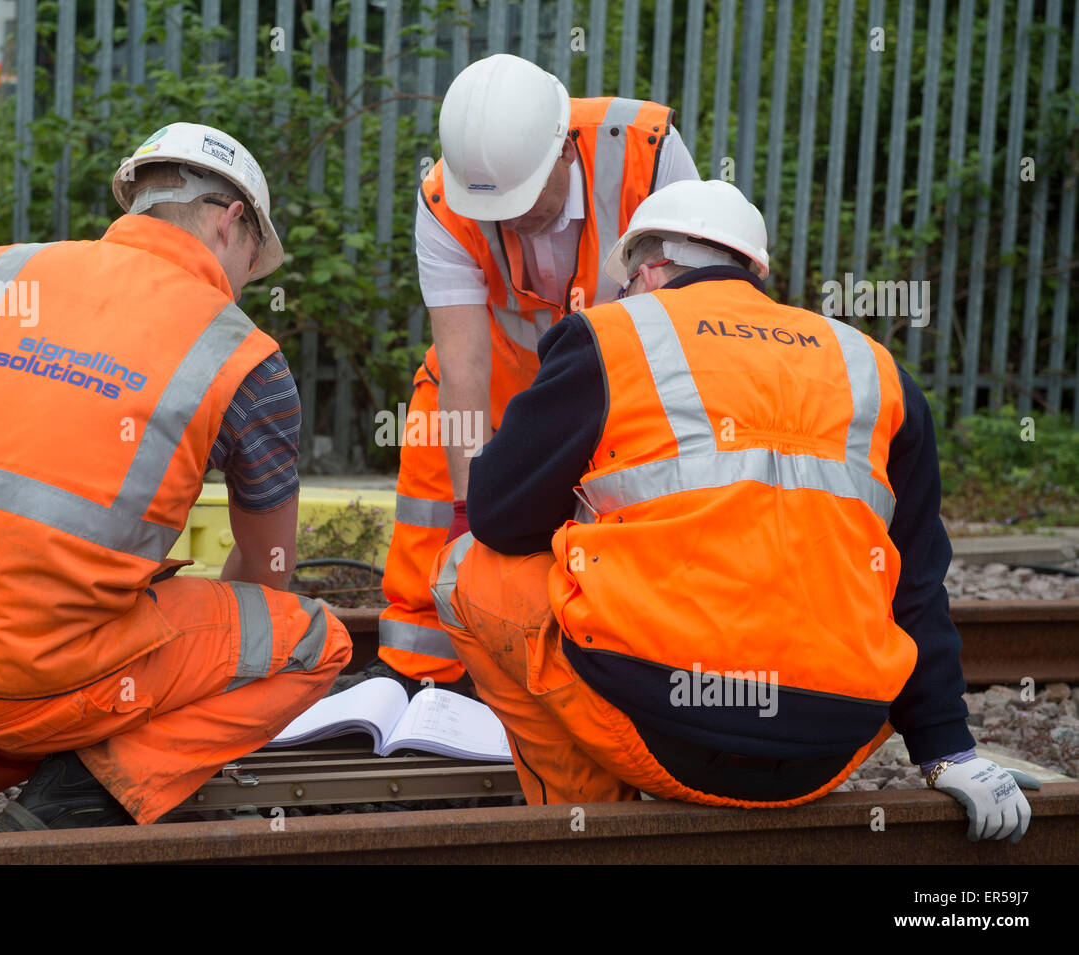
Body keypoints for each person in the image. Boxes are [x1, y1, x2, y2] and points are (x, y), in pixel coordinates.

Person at [428, 179, 1037, 842]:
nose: (625, 297)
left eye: (628, 282)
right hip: (829, 747)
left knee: (467, 568)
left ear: (651, 267)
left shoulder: (612, 336)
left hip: (660, 732)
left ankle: (584, 817)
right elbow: (917, 584)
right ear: (752, 269)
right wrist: (951, 749)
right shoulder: (870, 366)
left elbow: (498, 515)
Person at [0, 122, 352, 839]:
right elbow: (268, 574)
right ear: (232, 221)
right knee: (315, 642)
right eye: (254, 258)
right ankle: (83, 796)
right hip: (38, 677)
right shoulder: (242, 354)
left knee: (41, 671)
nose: (247, 281)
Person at [341, 53, 700, 695]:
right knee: (435, 428)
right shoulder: (446, 200)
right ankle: (425, 668)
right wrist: (466, 515)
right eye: (496, 209)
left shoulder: (649, 155)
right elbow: (462, 363)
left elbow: (690, 324)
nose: (509, 221)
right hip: (501, 375)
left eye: (524, 200)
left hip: (624, 374)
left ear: (564, 149)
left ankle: (623, 653)